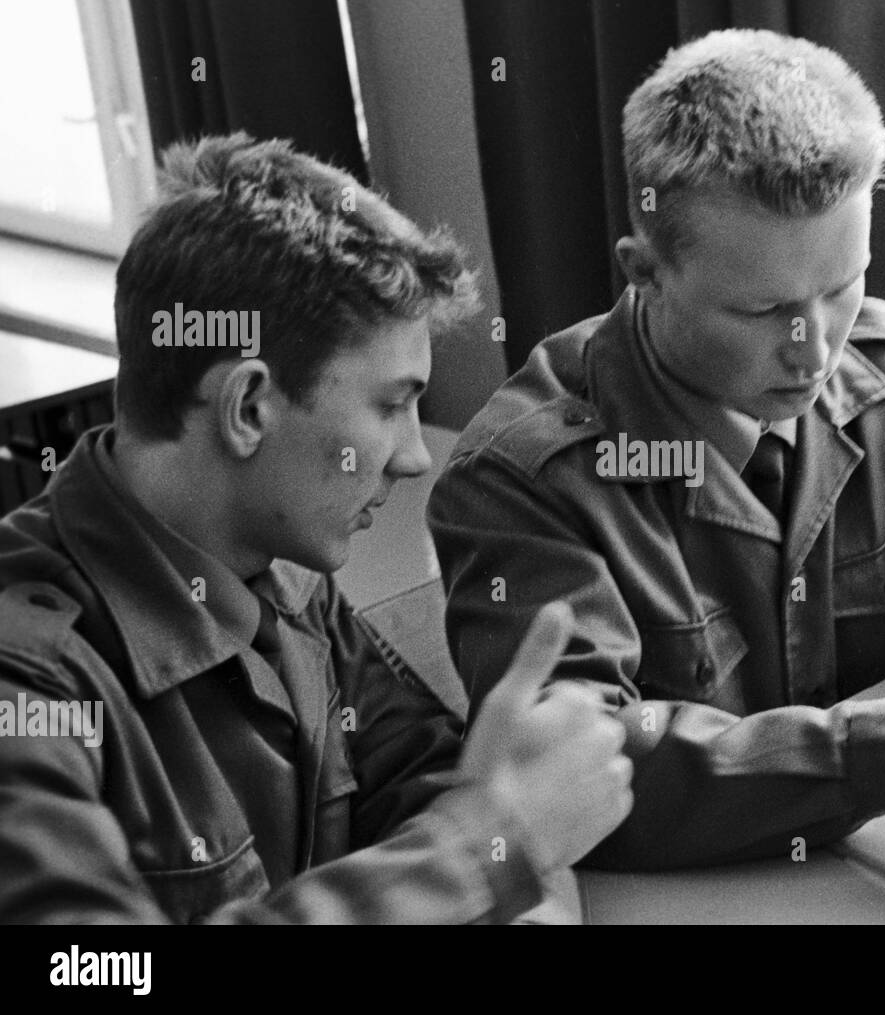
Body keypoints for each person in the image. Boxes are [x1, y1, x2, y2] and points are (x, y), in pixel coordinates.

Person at [429, 29, 885, 871]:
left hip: (883, 876)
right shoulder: (516, 478)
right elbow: (575, 778)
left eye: (842, 286)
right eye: (762, 311)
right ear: (642, 272)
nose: (815, 348)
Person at [0, 133, 632, 923]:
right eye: (392, 403)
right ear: (249, 408)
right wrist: (484, 848)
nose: (414, 457)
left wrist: (504, 847)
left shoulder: (284, 575)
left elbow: (421, 777)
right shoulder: (27, 683)